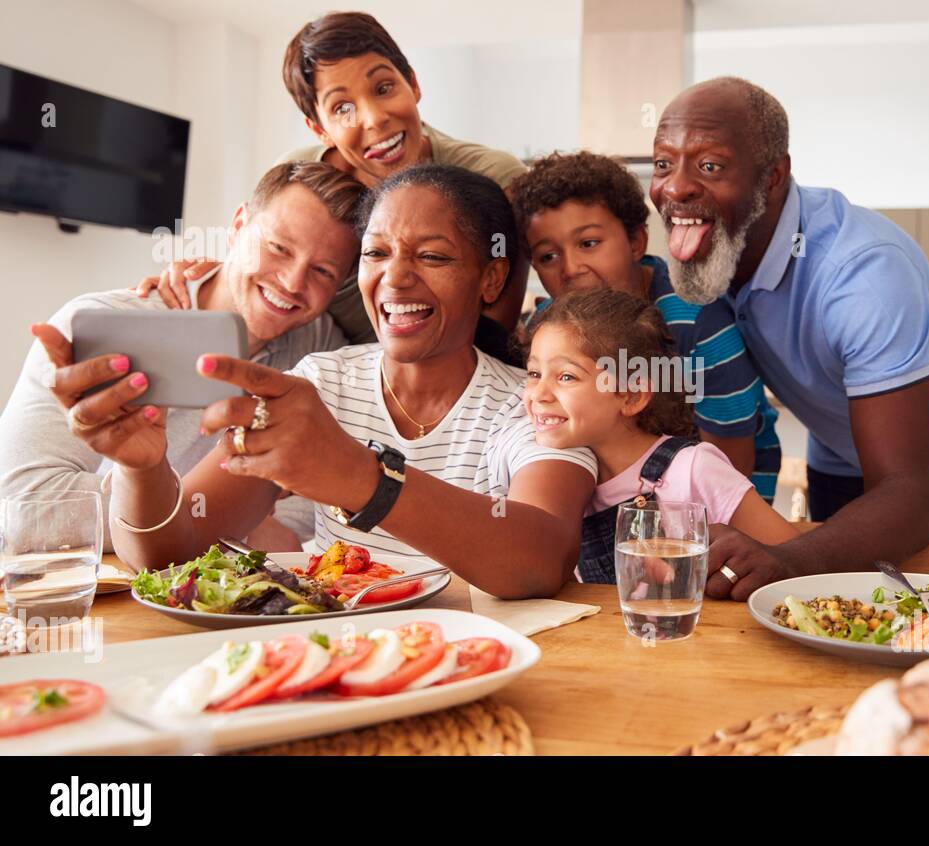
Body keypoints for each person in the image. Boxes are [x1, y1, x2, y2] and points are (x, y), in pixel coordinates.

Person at [37, 164, 595, 599]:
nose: (395, 278)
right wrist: (143, 467)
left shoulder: (534, 400)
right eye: (376, 253)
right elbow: (169, 552)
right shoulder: (321, 382)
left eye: (431, 256)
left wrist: (363, 480)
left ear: (492, 277)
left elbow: (541, 558)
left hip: (482, 664)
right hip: (334, 659)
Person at [649, 77, 929, 600]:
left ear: (774, 175)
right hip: (843, 433)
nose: (675, 187)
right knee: (844, 604)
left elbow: (909, 496)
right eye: (664, 163)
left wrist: (784, 560)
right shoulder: (713, 252)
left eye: (710, 166)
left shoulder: (862, 274)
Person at [2, 161, 365, 551]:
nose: (293, 283)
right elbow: (22, 511)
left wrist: (200, 521)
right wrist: (212, 519)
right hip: (102, 589)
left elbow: (311, 512)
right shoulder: (106, 327)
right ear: (239, 225)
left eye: (323, 271)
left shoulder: (323, 349)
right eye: (278, 248)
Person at [136, 11, 528, 363]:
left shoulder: (493, 179)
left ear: (412, 83)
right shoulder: (297, 177)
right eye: (342, 108)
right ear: (319, 128)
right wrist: (198, 279)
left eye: (384, 88)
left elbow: (494, 332)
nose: (374, 119)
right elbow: (257, 265)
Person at [509, 151, 782, 502]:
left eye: (589, 243)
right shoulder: (546, 329)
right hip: (614, 508)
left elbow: (731, 468)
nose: (571, 267)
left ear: (636, 242)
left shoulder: (697, 324)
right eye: (548, 256)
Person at [523, 289, 797, 583]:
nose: (538, 394)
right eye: (534, 373)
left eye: (566, 376)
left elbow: (793, 561)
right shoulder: (557, 483)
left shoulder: (694, 470)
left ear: (631, 396)